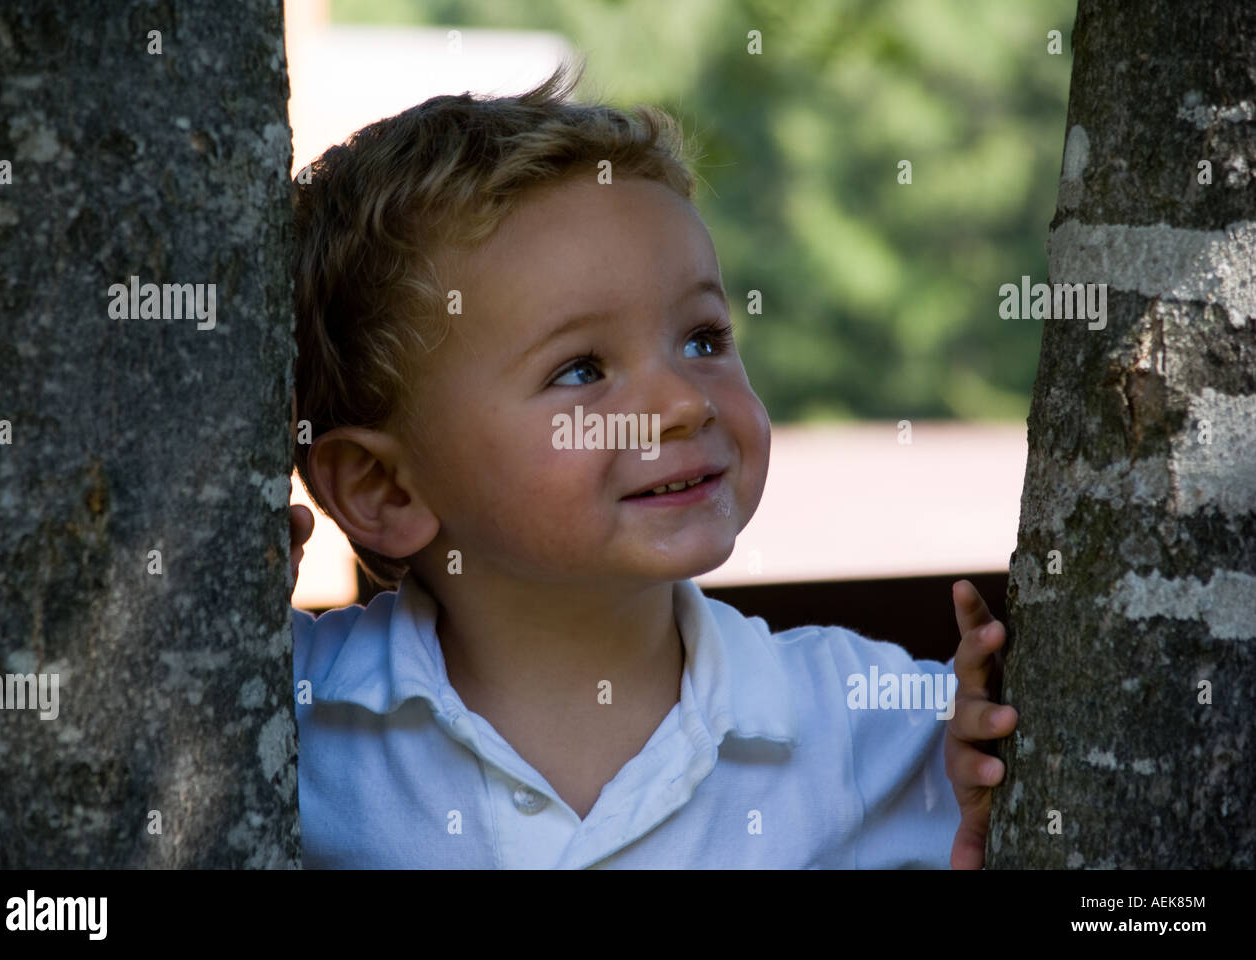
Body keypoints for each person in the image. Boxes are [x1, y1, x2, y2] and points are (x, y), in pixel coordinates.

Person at [285, 60, 1016, 868]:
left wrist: (978, 790)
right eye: (581, 370)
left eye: (703, 339)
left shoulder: (878, 724)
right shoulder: (289, 714)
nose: (685, 403)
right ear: (384, 487)